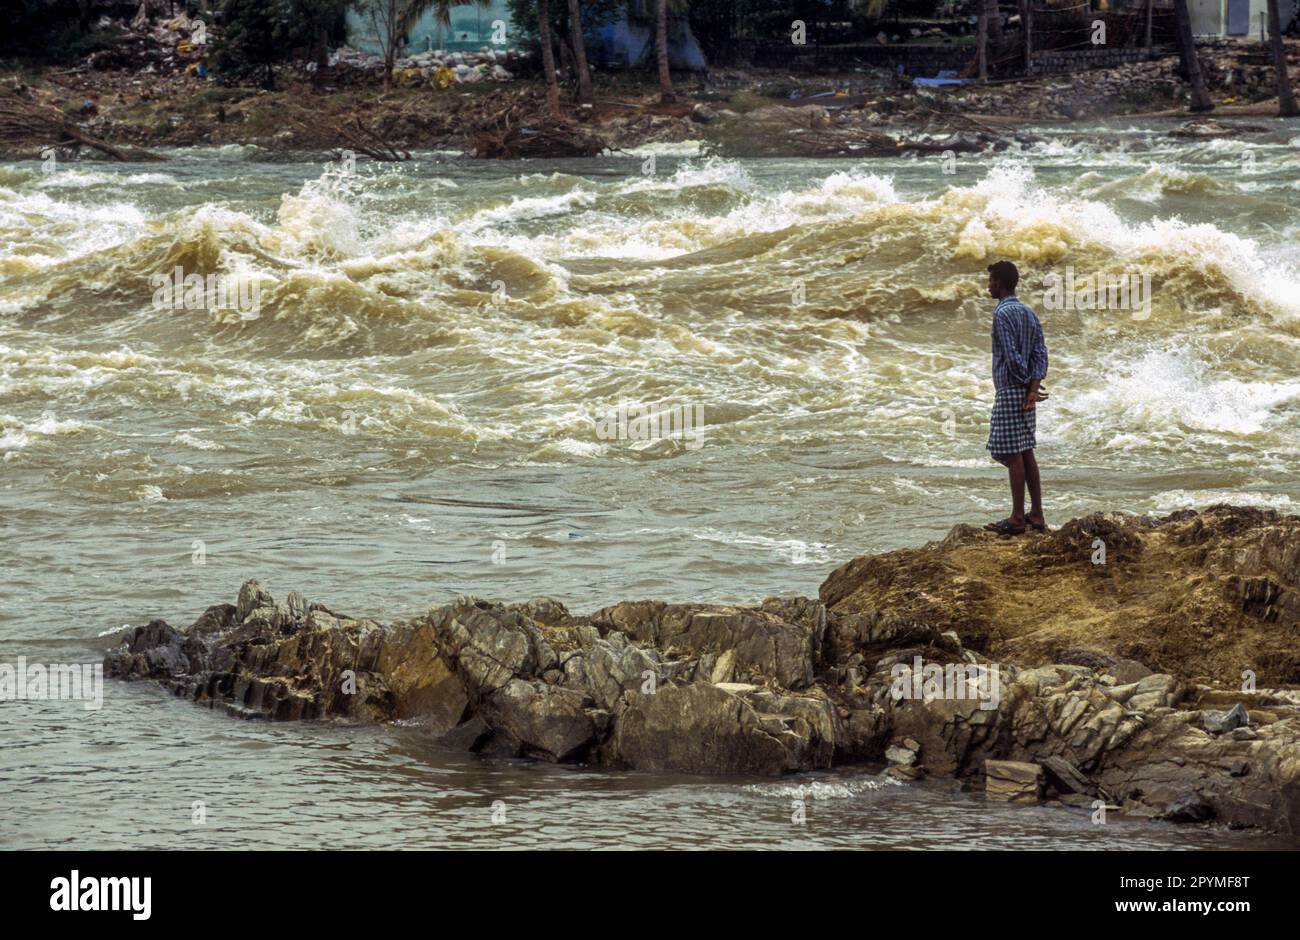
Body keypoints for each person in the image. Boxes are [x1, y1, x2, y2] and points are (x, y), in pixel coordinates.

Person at [983, 260, 1049, 535]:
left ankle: (1017, 517)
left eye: (990, 281)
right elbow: (1040, 352)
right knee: (1025, 451)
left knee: (1012, 454)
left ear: (999, 283)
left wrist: (1024, 385)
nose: (988, 286)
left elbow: (1011, 356)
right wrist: (1033, 387)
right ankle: (1037, 514)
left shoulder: (1002, 314)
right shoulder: (1028, 312)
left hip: (1011, 388)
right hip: (1026, 390)